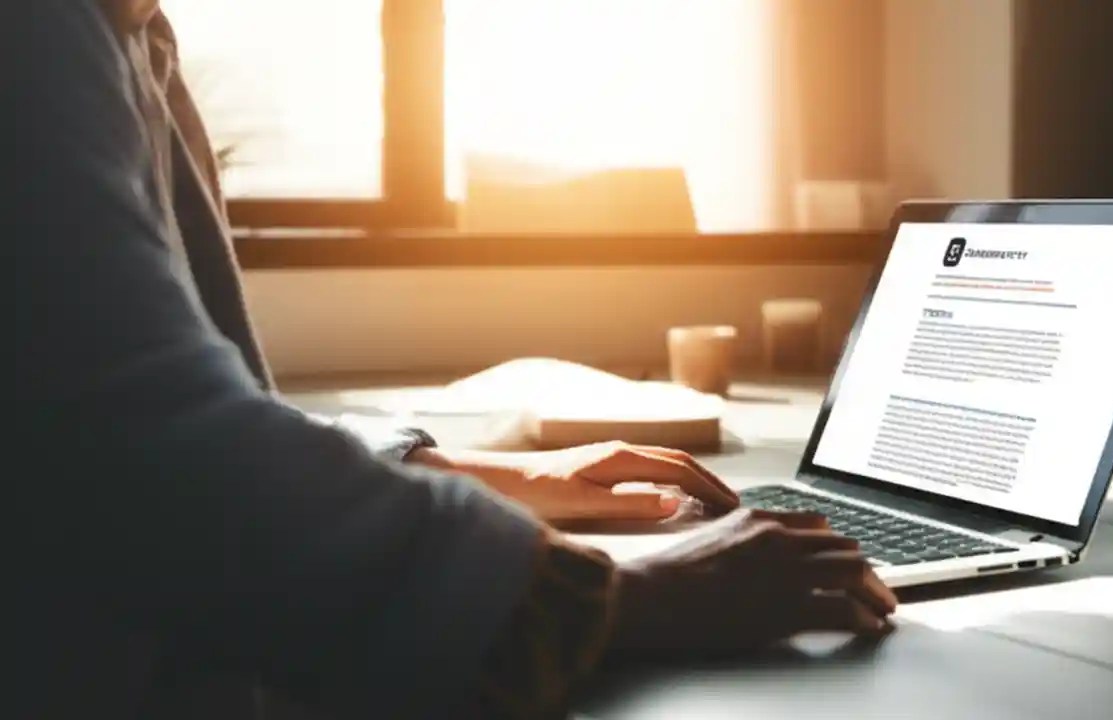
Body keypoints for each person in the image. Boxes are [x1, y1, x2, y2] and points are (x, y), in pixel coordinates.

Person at [11, 2, 896, 718]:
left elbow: (152, 407)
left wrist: (487, 472)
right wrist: (621, 601)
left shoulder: (131, 35)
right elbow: (155, 461)